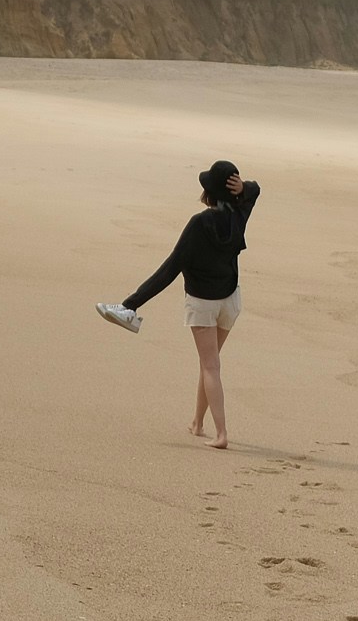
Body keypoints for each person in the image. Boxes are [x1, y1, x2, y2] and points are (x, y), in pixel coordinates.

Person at [96, 160, 259, 448]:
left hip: (203, 305)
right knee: (210, 364)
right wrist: (244, 188)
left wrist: (131, 304)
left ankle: (221, 434)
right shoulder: (239, 213)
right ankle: (197, 423)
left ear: (209, 191)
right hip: (230, 301)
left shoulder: (200, 223)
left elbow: (170, 268)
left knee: (210, 366)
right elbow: (255, 190)